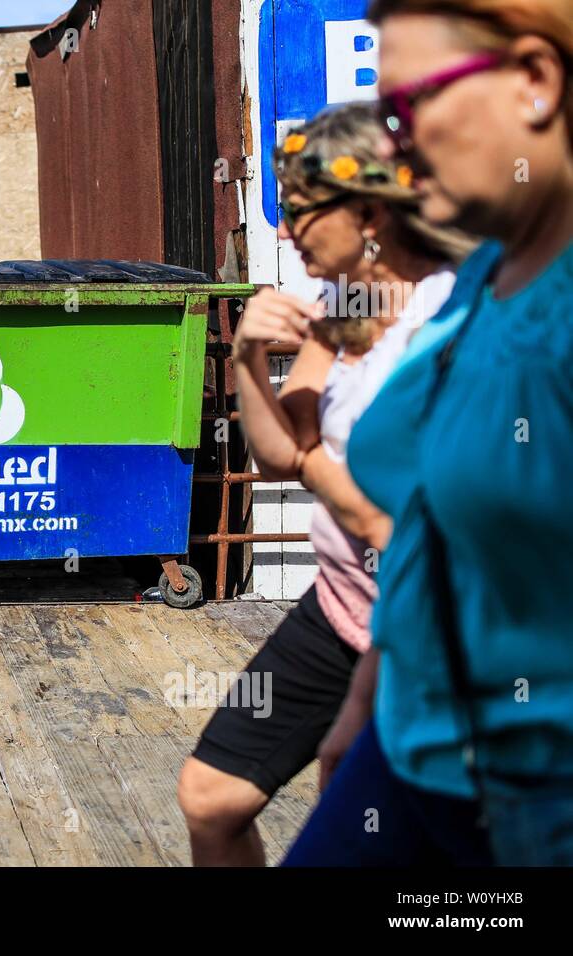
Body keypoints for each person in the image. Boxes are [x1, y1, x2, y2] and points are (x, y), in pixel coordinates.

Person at [285, 0, 573, 866]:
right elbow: (432, 533)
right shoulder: (490, 272)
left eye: (406, 106)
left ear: (534, 81)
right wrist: (365, 702)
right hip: (408, 746)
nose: (392, 143)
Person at [177, 103, 473, 866]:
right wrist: (246, 357)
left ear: (370, 210)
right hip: (338, 610)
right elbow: (281, 455)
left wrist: (315, 468)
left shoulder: (453, 323)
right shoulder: (347, 309)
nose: (284, 232)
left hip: (421, 633)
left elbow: (393, 526)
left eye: (301, 212)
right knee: (211, 799)